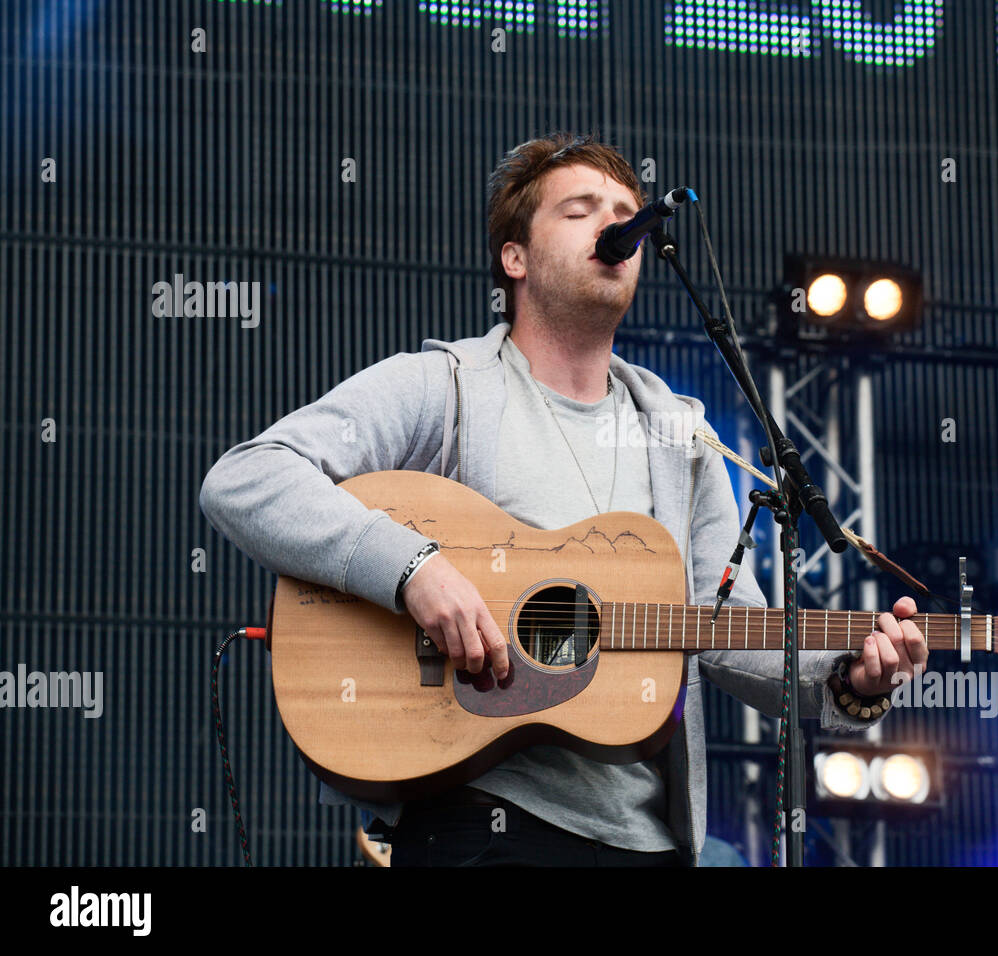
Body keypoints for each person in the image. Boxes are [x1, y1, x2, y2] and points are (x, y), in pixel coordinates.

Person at [198, 130, 928, 866]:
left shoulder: (682, 436)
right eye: (580, 209)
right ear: (514, 257)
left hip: (648, 845)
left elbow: (725, 629)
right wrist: (413, 570)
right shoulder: (443, 387)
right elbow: (249, 476)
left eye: (624, 210)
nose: (614, 225)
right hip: (478, 824)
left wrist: (849, 678)